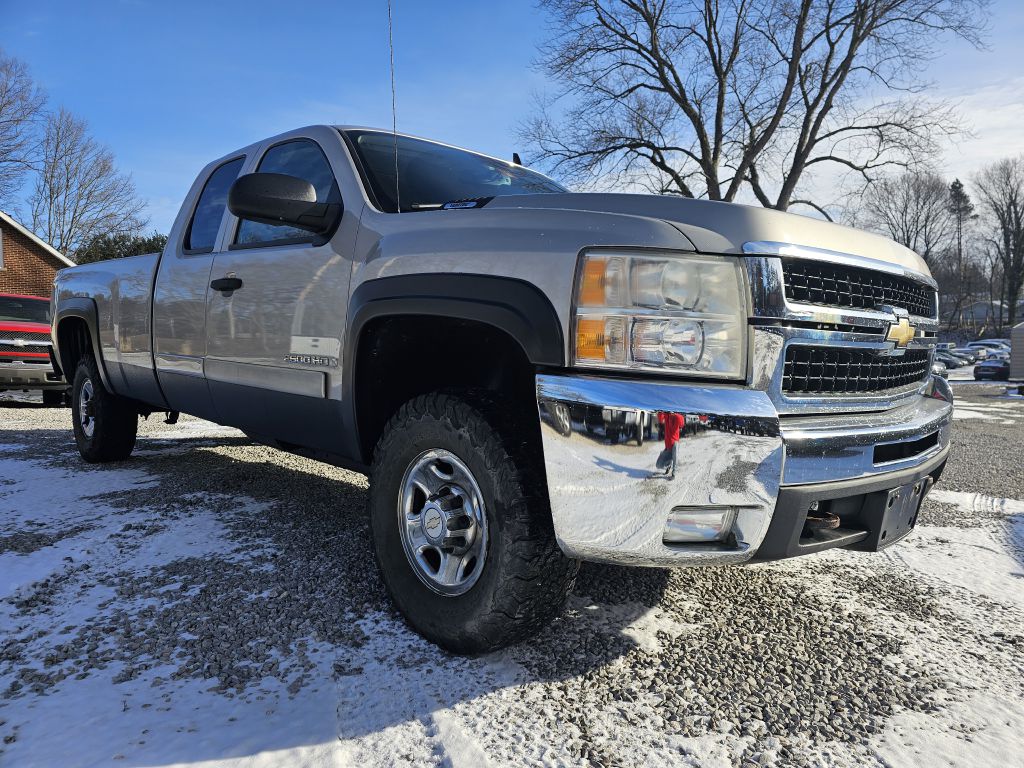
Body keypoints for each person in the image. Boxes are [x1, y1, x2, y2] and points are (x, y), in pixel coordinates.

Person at [655, 412, 685, 479]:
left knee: (675, 457)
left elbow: (682, 424)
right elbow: (660, 419)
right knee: (658, 465)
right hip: (668, 446)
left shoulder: (677, 416)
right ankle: (668, 465)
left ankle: (674, 473)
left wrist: (674, 413)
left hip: (674, 443)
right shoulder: (666, 415)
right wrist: (660, 412)